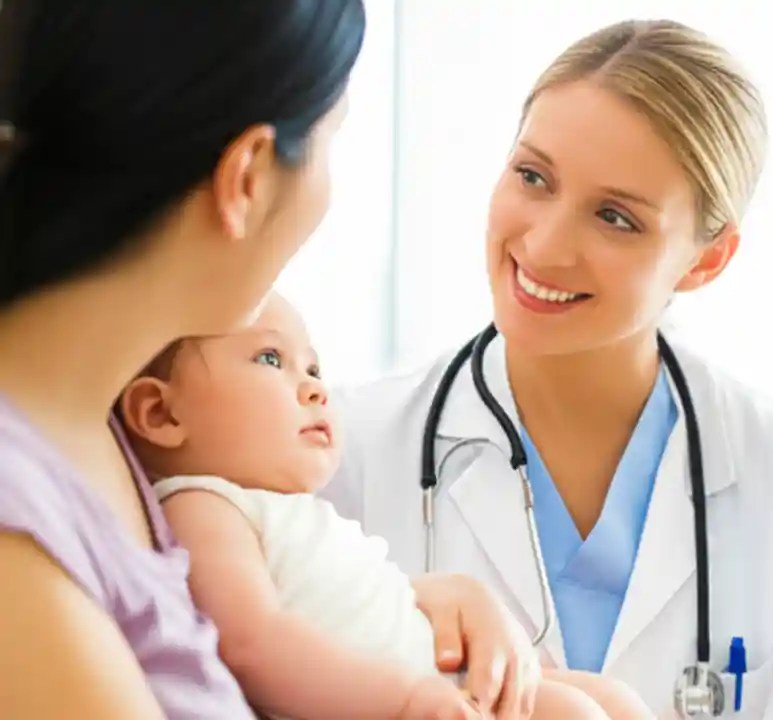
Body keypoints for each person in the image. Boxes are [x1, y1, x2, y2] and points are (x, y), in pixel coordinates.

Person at [326, 18, 773, 719]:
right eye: (533, 176)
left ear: (707, 260)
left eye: (616, 217)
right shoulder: (352, 447)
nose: (546, 247)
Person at [0, 3, 540, 718]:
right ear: (248, 177)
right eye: (330, 142)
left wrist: (419, 605)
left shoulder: (93, 427)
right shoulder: (19, 537)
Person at [117, 292, 652, 720]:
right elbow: (253, 641)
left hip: (435, 685)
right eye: (271, 358)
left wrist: (441, 600)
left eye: (314, 368)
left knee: (616, 702)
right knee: (577, 714)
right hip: (392, 701)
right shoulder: (203, 506)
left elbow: (339, 602)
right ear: (161, 413)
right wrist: (404, 701)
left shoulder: (288, 511)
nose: (312, 389)